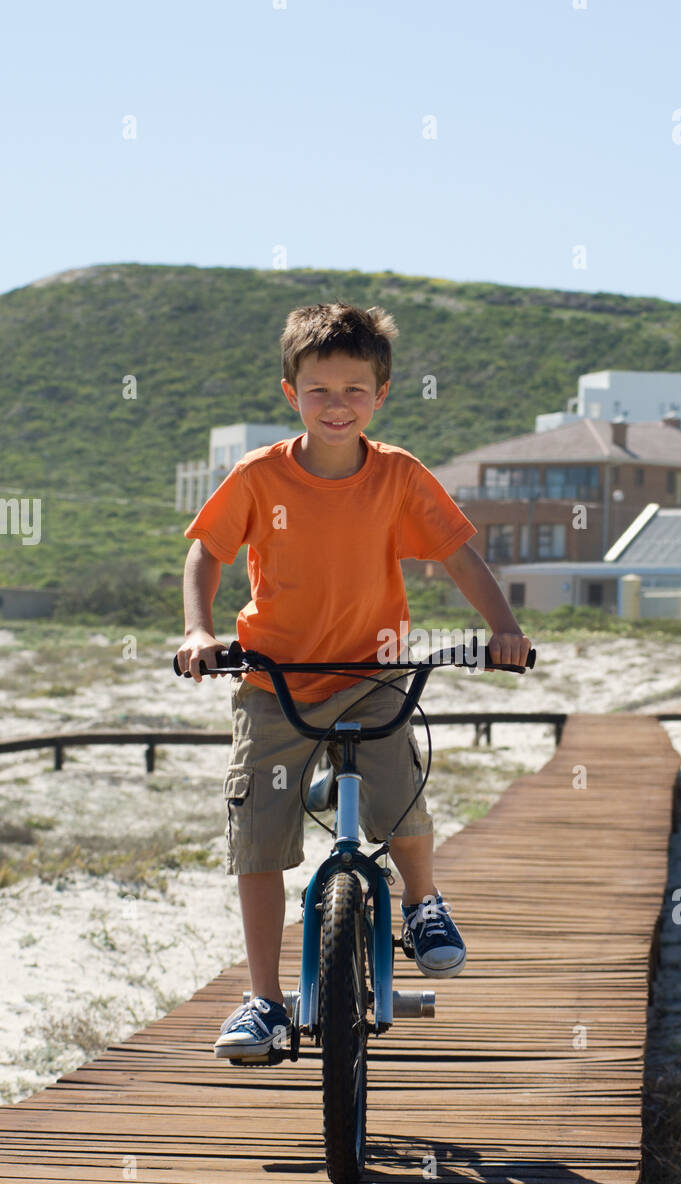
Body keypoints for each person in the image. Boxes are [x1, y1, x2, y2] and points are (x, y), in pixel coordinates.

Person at [175, 301, 531, 1062]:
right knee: (258, 835)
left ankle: (422, 902)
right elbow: (205, 550)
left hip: (373, 672)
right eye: (319, 391)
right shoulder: (259, 475)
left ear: (382, 394)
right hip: (276, 679)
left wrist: (503, 627)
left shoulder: (398, 476)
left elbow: (460, 556)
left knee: (397, 783)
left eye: (354, 391)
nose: (337, 406)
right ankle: (264, 1001)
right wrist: (200, 630)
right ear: (289, 393)